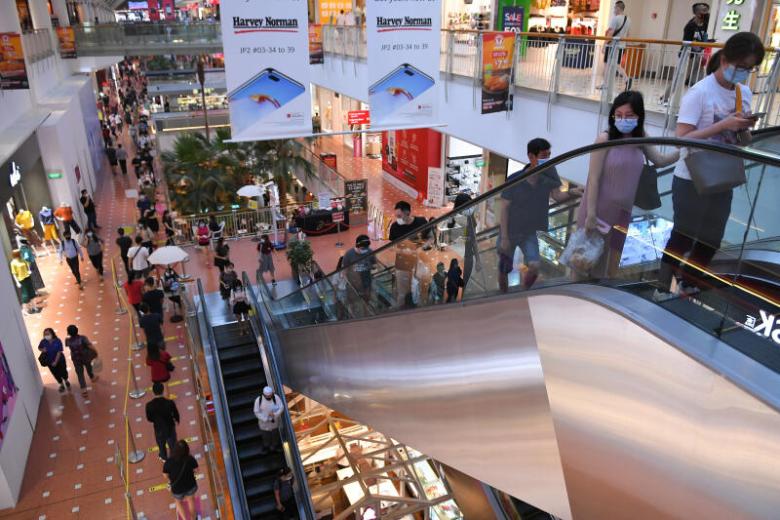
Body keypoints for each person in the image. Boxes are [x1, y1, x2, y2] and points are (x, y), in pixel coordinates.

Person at [657, 32, 763, 300]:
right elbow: (681, 138)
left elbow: (743, 141)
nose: (744, 73)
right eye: (741, 67)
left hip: (722, 176)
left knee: (712, 238)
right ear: (725, 60)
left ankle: (690, 283)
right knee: (683, 235)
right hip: (691, 178)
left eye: (749, 69)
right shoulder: (700, 92)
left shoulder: (744, 93)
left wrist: (744, 128)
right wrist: (723, 124)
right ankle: (661, 287)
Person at [578, 91, 680, 278]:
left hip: (623, 212)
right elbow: (593, 178)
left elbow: (659, 160)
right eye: (619, 115)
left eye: (629, 115)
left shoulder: (640, 137)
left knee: (612, 267)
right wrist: (590, 214)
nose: (623, 119)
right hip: (598, 211)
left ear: (639, 116)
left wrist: (684, 151)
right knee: (588, 264)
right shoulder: (605, 139)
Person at [498, 138, 582, 292]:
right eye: (543, 156)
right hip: (510, 230)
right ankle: (501, 294)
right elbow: (504, 208)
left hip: (530, 231)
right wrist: (504, 237)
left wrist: (572, 192)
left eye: (548, 155)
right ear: (531, 156)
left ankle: (523, 291)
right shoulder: (515, 179)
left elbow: (557, 195)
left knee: (535, 266)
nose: (547, 160)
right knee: (504, 268)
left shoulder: (550, 174)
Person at [662, 3, 711, 104]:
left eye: (707, 10)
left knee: (700, 80)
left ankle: (697, 102)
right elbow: (686, 43)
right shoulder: (690, 26)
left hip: (698, 55)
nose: (706, 13)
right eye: (704, 11)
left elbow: (702, 39)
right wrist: (698, 46)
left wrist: (706, 43)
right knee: (679, 79)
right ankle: (664, 98)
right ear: (697, 13)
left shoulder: (705, 24)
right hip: (687, 56)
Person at [389, 201, 431, 308]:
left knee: (421, 288)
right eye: (396, 216)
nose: (397, 218)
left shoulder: (421, 222)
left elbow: (431, 237)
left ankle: (421, 309)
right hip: (402, 263)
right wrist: (403, 251)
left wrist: (422, 247)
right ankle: (400, 309)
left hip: (419, 261)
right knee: (402, 291)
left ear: (407, 212)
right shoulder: (394, 227)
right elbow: (391, 246)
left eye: (399, 216)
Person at [162, 440, 201, 520]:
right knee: (191, 501)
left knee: (178, 503)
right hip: (190, 485)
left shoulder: (168, 462)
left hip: (177, 488)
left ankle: (184, 519)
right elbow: (197, 470)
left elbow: (165, 476)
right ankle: (193, 518)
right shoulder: (190, 459)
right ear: (187, 449)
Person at [145, 382, 180, 461]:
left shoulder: (149, 405)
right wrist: (177, 420)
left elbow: (149, 418)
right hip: (170, 427)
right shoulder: (170, 403)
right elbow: (175, 413)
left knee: (161, 444)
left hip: (158, 429)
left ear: (153, 392)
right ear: (163, 390)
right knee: (173, 444)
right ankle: (174, 457)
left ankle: (163, 457)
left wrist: (156, 421)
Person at [602, 1, 630, 88]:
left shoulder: (615, 19)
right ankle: (627, 79)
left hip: (612, 46)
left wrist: (604, 45)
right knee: (617, 65)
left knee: (607, 64)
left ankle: (605, 84)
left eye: (614, 8)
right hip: (622, 46)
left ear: (618, 8)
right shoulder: (628, 20)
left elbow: (610, 33)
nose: (614, 10)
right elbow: (628, 34)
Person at [65, 324, 98, 396]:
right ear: (77, 330)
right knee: (89, 367)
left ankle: (84, 390)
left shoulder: (67, 341)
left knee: (80, 374)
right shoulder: (83, 338)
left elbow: (67, 345)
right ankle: (92, 377)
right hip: (85, 357)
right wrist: (95, 352)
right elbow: (90, 345)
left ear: (68, 333)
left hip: (76, 359)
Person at [341, 234, 376, 300]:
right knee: (353, 299)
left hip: (366, 281)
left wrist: (371, 267)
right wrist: (347, 281)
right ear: (357, 245)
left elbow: (374, 264)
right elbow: (344, 269)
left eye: (366, 248)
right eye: (362, 248)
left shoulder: (370, 251)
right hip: (353, 282)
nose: (365, 250)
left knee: (367, 298)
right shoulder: (349, 254)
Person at [38, 328, 70, 393]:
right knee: (55, 374)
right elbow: (39, 347)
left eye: (48, 334)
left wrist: (55, 361)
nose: (46, 335)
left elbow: (59, 352)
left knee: (63, 372)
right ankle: (61, 384)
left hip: (60, 360)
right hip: (50, 362)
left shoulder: (57, 341)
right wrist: (42, 349)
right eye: (45, 334)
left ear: (52, 333)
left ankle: (66, 380)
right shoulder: (43, 341)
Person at [253, 386, 283, 454]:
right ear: (264, 395)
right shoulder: (259, 400)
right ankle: (266, 446)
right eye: (268, 396)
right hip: (264, 424)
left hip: (274, 422)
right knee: (265, 436)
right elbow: (256, 411)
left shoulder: (276, 398)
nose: (269, 397)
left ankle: (275, 446)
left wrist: (275, 414)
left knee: (275, 434)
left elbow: (281, 407)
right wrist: (265, 418)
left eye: (270, 395)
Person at [11, 250, 41, 314]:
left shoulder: (22, 259)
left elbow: (28, 264)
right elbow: (14, 273)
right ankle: (25, 310)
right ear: (16, 254)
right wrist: (17, 282)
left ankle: (34, 307)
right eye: (19, 253)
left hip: (27, 277)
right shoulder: (13, 263)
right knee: (25, 296)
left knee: (32, 293)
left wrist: (29, 270)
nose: (20, 253)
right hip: (21, 280)